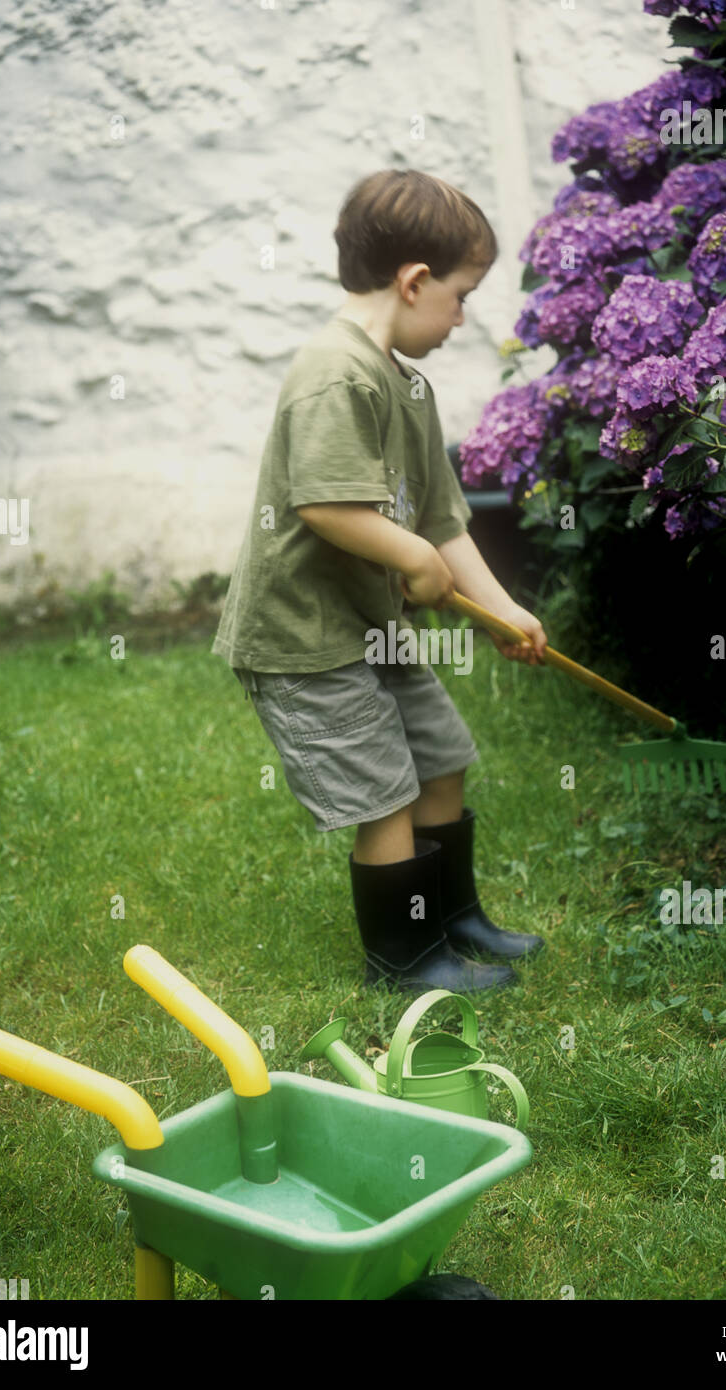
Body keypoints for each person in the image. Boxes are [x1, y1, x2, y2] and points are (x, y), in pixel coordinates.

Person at [212, 168, 548, 992]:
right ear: (414, 281)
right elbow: (327, 506)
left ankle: (451, 917)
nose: (463, 317)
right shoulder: (336, 372)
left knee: (440, 755)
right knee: (385, 794)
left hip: (368, 627)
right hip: (304, 640)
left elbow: (440, 522)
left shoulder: (407, 381)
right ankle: (403, 960)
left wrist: (500, 609)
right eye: (462, 296)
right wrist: (408, 560)